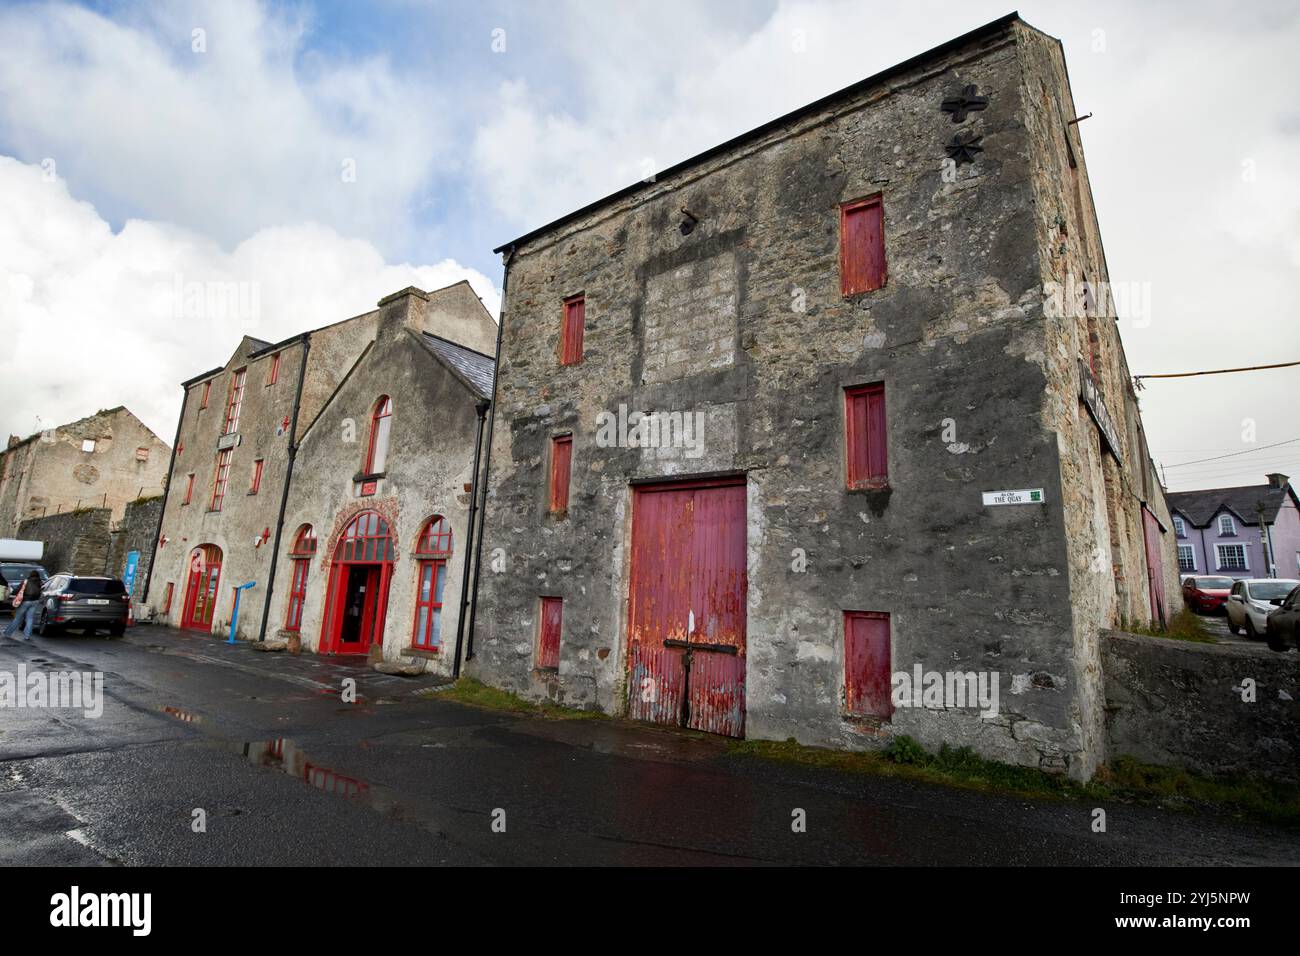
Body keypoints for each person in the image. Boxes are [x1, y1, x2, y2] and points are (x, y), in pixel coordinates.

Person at [4, 570, 45, 640]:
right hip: (35, 601)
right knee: (30, 618)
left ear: (30, 575)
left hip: (25, 601)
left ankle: (8, 632)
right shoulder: (40, 582)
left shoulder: (26, 581)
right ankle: (27, 636)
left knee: (17, 618)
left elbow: (17, 590)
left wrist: (12, 593)